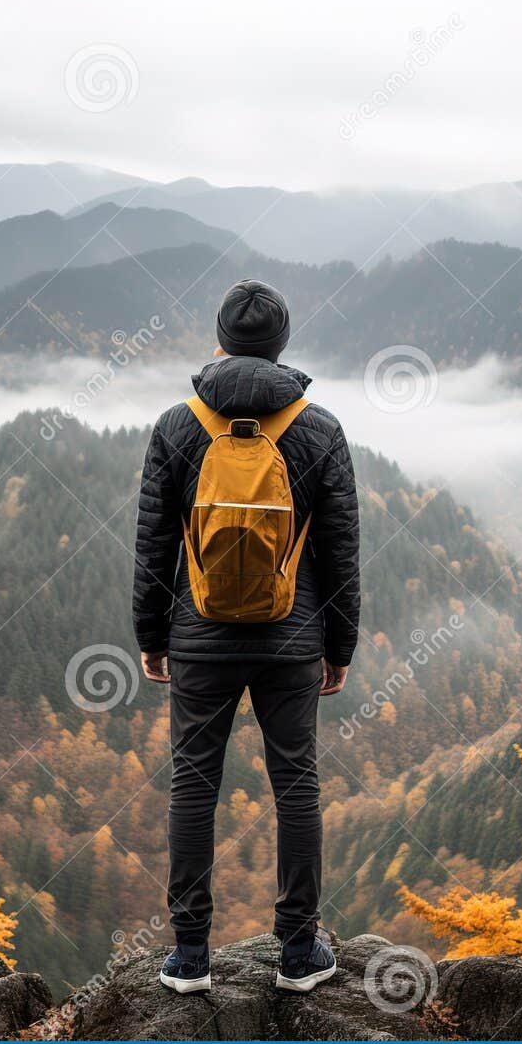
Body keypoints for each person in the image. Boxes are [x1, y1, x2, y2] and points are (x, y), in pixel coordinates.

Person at [133, 279, 360, 994]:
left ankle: (190, 957)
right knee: (295, 784)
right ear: (282, 345)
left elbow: (153, 544)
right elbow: (341, 551)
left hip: (198, 636)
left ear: (220, 341)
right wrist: (339, 646)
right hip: (292, 638)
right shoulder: (317, 428)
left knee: (194, 786)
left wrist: (152, 635)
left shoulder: (178, 425)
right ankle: (298, 951)